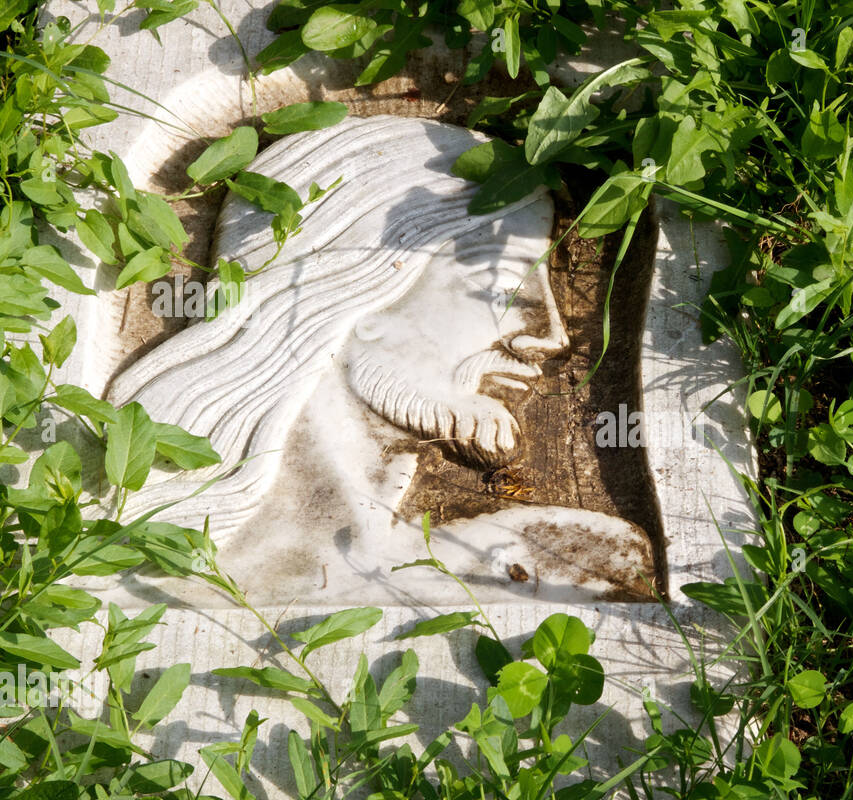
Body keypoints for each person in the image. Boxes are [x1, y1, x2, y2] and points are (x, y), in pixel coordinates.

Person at [100, 115, 654, 606]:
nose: (550, 336)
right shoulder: (138, 551)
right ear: (355, 293)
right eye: (504, 286)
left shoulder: (562, 555)